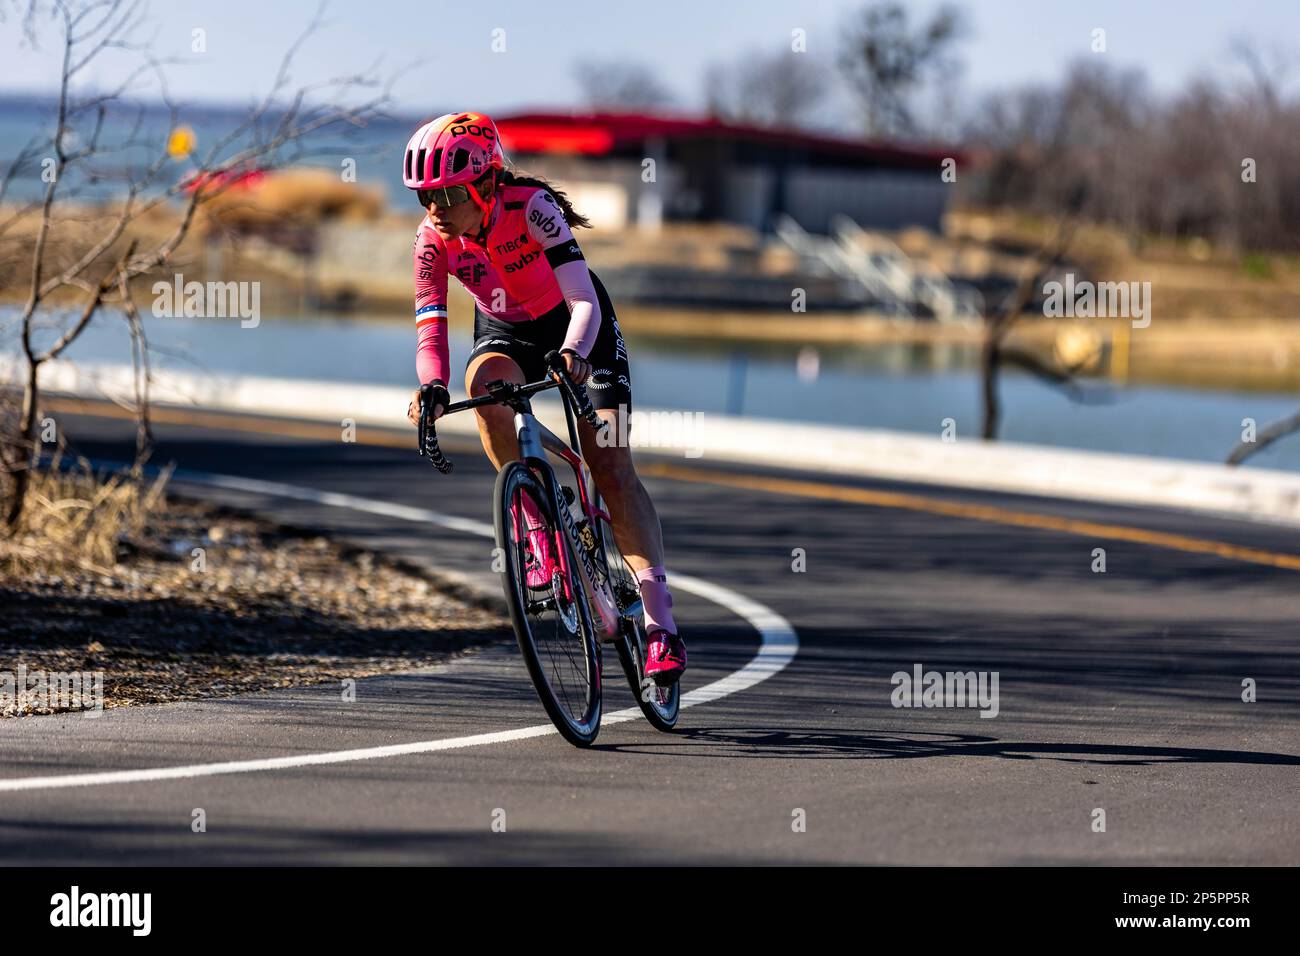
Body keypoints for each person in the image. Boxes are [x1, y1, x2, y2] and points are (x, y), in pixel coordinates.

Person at [402, 111, 686, 685]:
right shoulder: (432, 239)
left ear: (484, 185)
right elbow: (430, 324)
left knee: (610, 463)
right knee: (483, 390)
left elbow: (583, 298)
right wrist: (431, 386)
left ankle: (661, 625)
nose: (434, 209)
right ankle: (536, 532)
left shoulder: (531, 207)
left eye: (446, 194)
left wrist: (576, 353)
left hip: (580, 327)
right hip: (506, 330)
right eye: (424, 196)